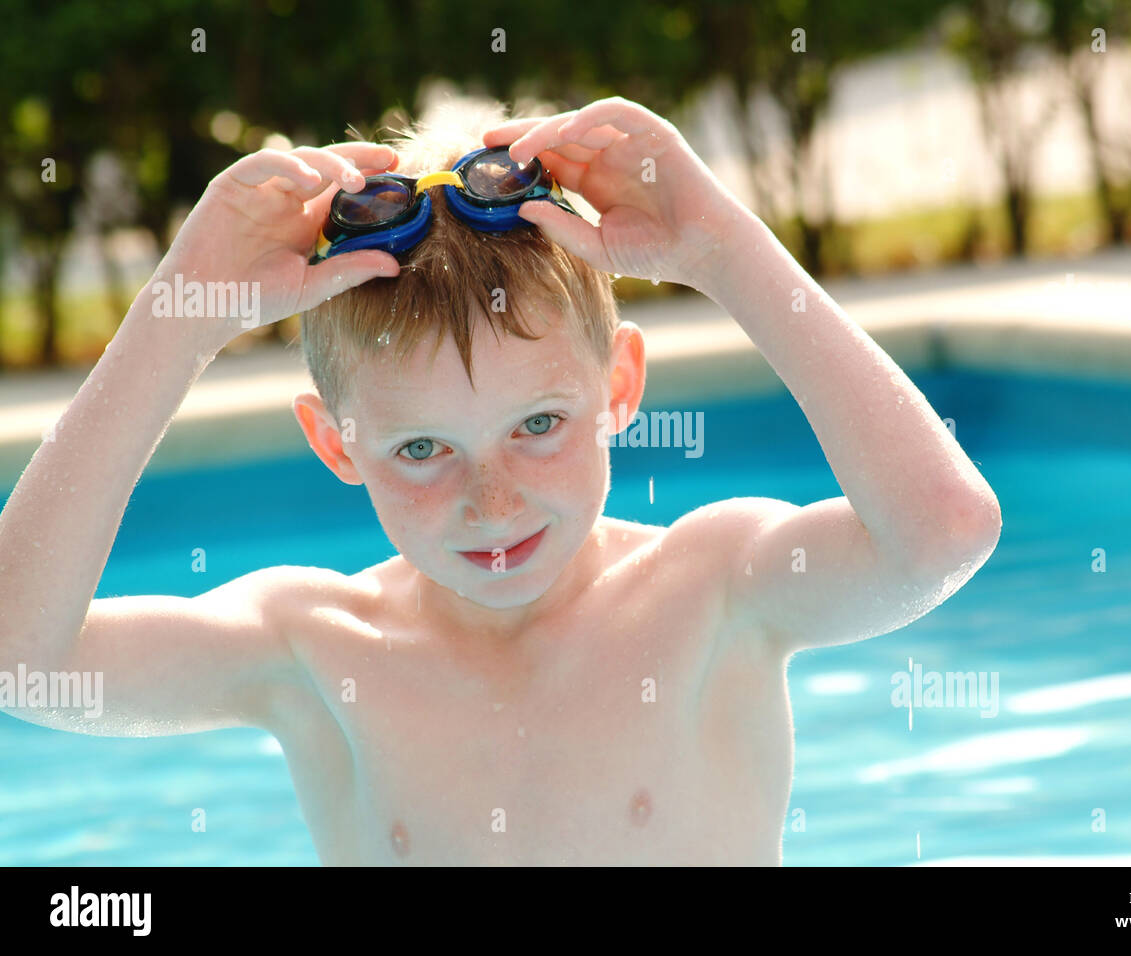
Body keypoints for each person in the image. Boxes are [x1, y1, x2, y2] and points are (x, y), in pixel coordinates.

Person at [0, 96, 1001, 865]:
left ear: (618, 388)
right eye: (423, 449)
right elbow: (23, 662)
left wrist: (723, 250)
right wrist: (176, 316)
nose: (493, 500)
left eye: (537, 424)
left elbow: (943, 532)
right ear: (337, 444)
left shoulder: (715, 590)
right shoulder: (314, 651)